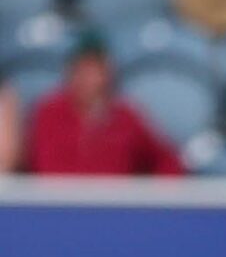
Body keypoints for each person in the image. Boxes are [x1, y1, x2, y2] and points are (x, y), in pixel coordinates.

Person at [26, 38, 188, 174]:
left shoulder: (126, 117)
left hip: (113, 207)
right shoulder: (48, 112)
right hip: (55, 207)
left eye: (94, 70)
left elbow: (166, 161)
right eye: (81, 69)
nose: (88, 78)